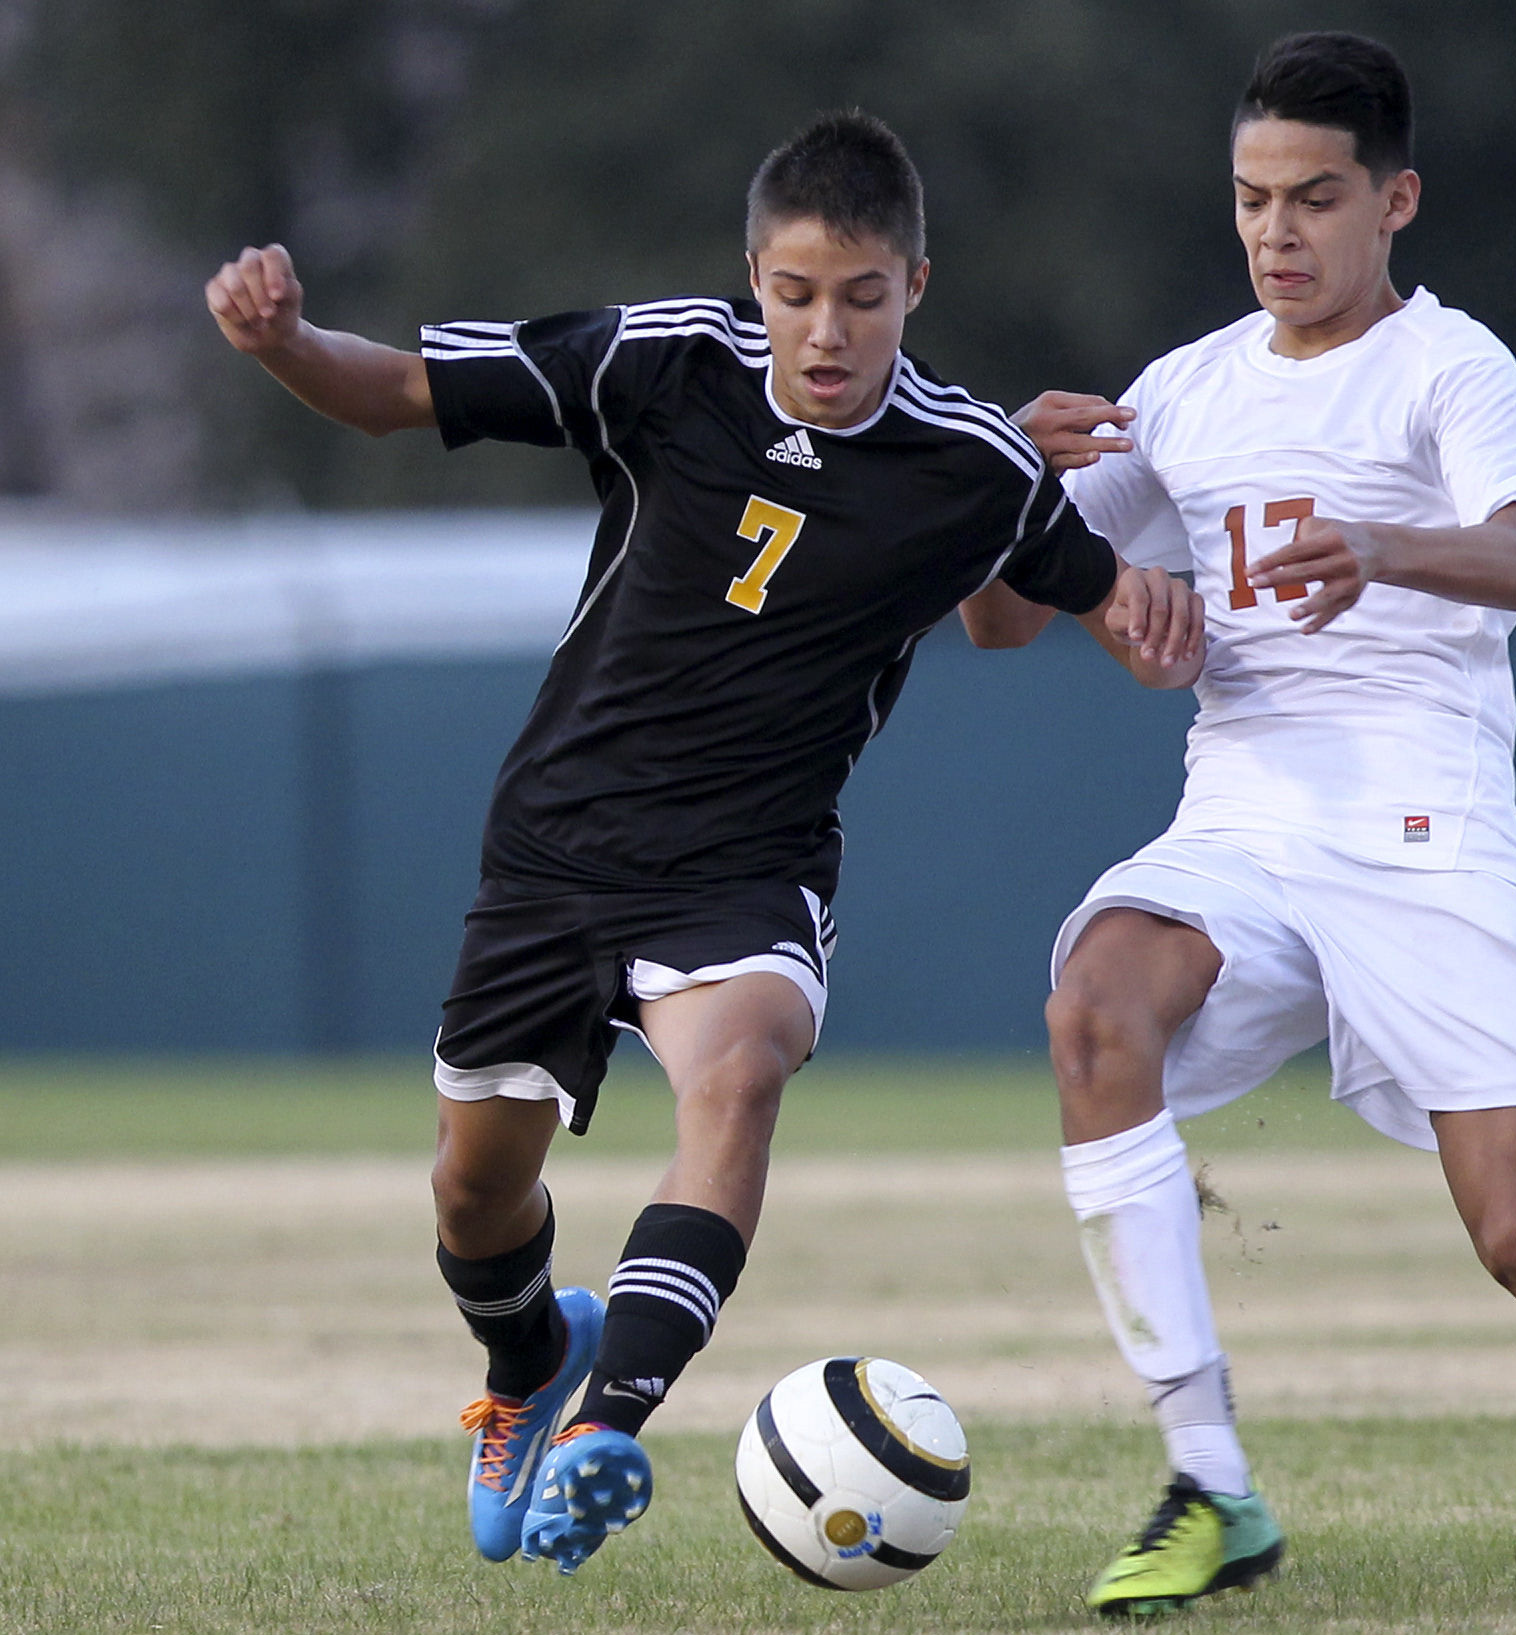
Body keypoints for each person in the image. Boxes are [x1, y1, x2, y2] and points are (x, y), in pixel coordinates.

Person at [205, 110, 1200, 1577]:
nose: (825, 329)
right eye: (796, 293)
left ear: (916, 286)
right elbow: (402, 391)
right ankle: (531, 1361)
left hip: (750, 865)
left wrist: (1141, 615)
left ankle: (609, 1425)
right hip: (557, 846)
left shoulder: (969, 462)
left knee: (733, 1085)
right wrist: (282, 340)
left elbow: (1049, 597)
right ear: (754, 279)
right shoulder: (663, 360)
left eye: (861, 296)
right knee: (474, 1193)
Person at [962, 31, 1516, 1614]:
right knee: (1094, 1009)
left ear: (1397, 201)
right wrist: (1004, 501)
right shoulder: (1184, 390)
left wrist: (1376, 545)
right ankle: (1210, 1484)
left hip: (1426, 836)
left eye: (1314, 198)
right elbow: (1002, 626)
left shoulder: (1455, 365)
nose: (1275, 234)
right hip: (1241, 827)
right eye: (1250, 201)